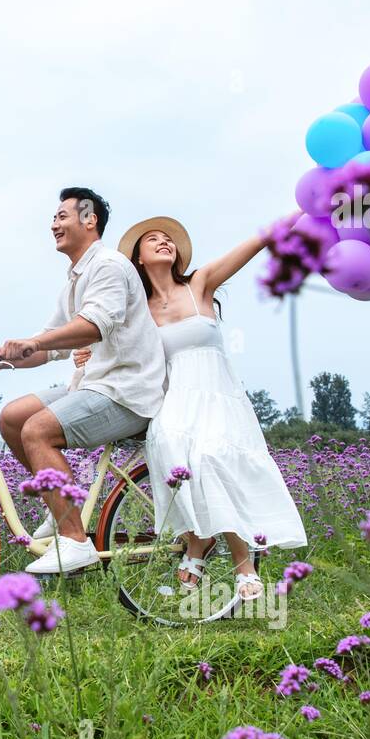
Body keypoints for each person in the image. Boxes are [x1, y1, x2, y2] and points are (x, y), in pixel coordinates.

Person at [109, 216, 307, 599]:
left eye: (169, 239)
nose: (165, 242)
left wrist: (302, 209)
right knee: (167, 447)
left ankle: (242, 562)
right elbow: (105, 342)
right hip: (175, 397)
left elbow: (258, 240)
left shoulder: (199, 284)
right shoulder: (138, 311)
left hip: (217, 393)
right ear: (138, 259)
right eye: (153, 240)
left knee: (211, 457)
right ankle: (195, 539)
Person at [0, 188, 165, 575]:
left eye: (62, 216)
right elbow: (49, 346)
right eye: (53, 218)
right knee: (12, 418)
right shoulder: (76, 278)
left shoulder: (108, 266)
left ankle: (74, 540)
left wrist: (35, 342)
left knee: (37, 431)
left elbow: (92, 327)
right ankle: (62, 505)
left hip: (127, 391)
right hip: (94, 383)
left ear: (90, 220)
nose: (54, 224)